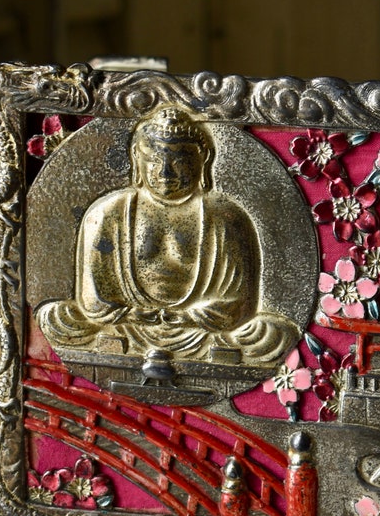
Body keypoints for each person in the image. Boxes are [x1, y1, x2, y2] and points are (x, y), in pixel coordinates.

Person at [36, 106, 296, 367]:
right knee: (57, 317)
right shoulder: (109, 213)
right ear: (137, 158)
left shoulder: (226, 218)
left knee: (270, 332)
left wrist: (189, 318)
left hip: (199, 333)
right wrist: (135, 313)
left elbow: (236, 304)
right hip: (128, 326)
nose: (165, 174)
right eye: (154, 160)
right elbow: (93, 301)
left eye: (180, 161)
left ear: (203, 159)